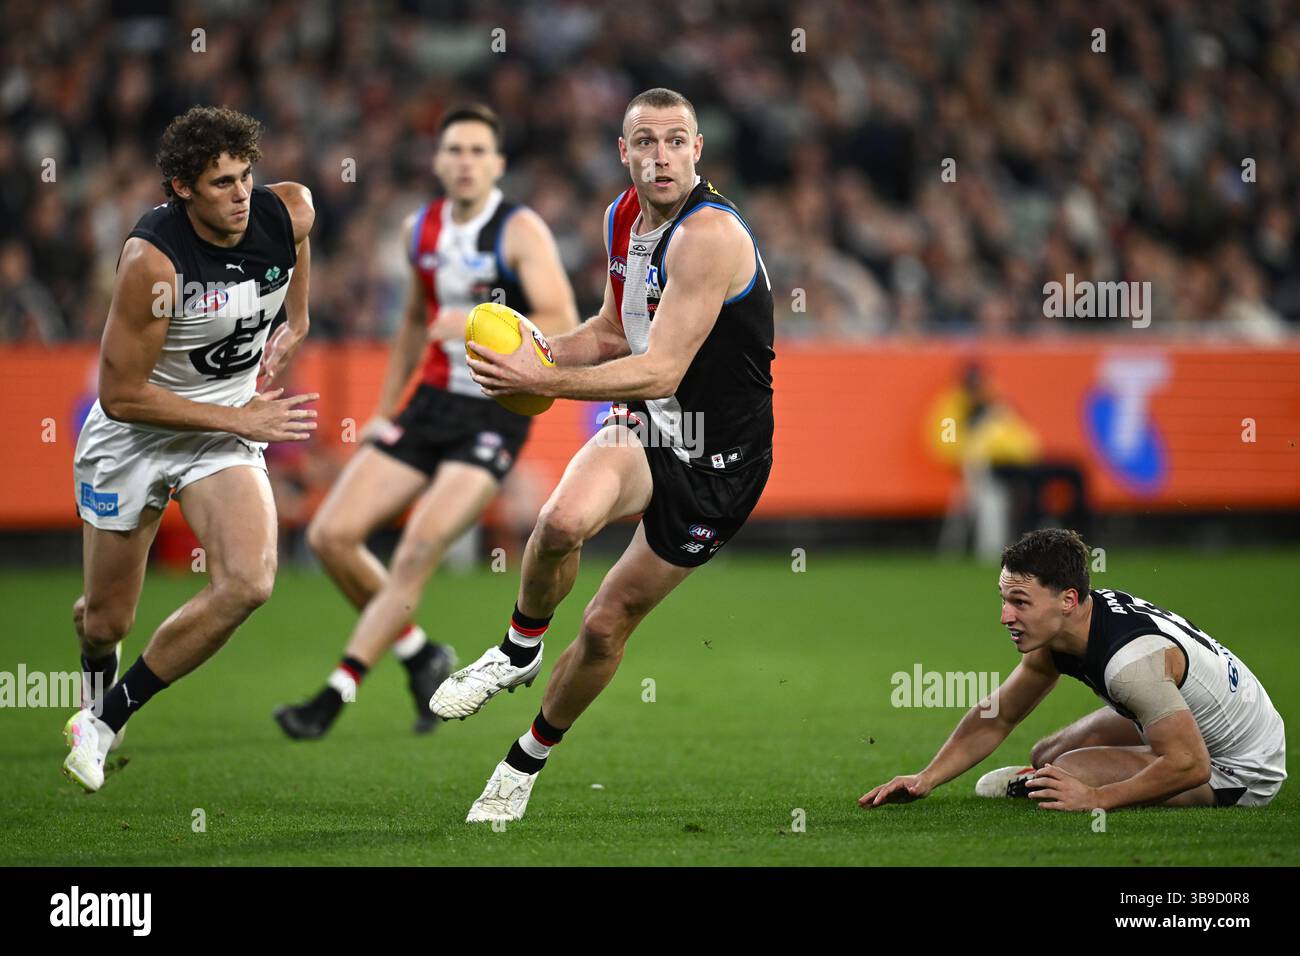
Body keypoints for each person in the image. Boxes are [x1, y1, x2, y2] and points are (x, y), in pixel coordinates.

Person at [430, 87, 775, 822]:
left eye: (676, 141)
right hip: (652, 426)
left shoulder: (709, 236)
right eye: (645, 142)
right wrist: (543, 351)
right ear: (623, 153)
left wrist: (545, 379)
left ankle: (524, 760)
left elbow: (663, 367)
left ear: (698, 149)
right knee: (559, 522)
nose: (661, 156)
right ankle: (519, 648)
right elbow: (618, 331)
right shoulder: (623, 216)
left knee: (604, 624)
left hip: (721, 462)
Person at [273, 104, 577, 739]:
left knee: (415, 549)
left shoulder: (521, 231)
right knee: (332, 535)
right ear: (438, 161)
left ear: (497, 164)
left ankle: (335, 693)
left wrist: (476, 322)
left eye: (478, 152)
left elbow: (560, 316)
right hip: (430, 405)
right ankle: (421, 655)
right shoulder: (422, 229)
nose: (465, 162)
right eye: (454, 150)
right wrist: (385, 411)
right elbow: (415, 321)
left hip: (493, 413)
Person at [64, 106, 317, 791]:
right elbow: (119, 396)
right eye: (221, 184)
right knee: (105, 621)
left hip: (222, 432)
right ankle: (93, 685)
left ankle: (106, 718)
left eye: (245, 176)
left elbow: (300, 235)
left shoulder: (283, 211)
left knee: (249, 582)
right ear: (181, 188)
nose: (241, 196)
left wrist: (298, 320)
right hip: (136, 437)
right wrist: (241, 419)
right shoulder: (153, 262)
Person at [860, 528, 1286, 811]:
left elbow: (1191, 764)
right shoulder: (1074, 622)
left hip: (1238, 766)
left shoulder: (1131, 664)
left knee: (1068, 772)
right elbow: (1001, 714)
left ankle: (1056, 780)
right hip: (1191, 715)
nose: (1005, 616)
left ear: (1066, 599)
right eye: (1004, 599)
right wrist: (926, 778)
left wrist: (1096, 797)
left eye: (1020, 602)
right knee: (1045, 757)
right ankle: (1047, 776)